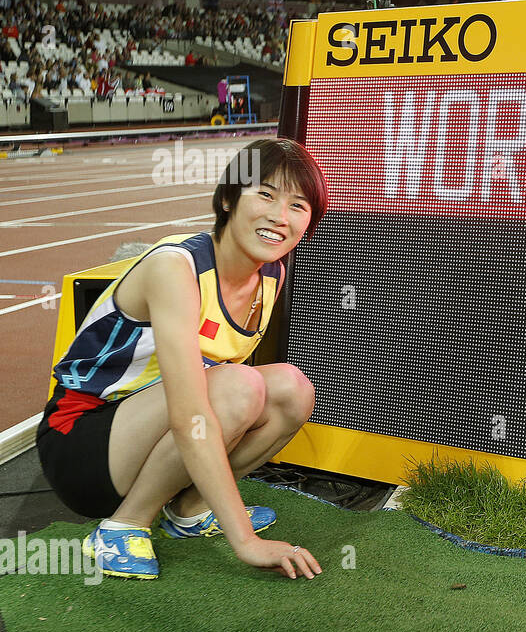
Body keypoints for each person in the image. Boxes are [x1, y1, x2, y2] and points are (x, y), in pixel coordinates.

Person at [36, 139, 328, 582]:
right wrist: (245, 540)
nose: (280, 217)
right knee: (238, 386)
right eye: (265, 194)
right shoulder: (176, 267)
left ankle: (189, 510)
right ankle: (123, 525)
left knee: (292, 389)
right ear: (229, 198)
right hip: (82, 440)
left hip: (151, 429)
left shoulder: (272, 271)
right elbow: (192, 413)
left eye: (298, 204)